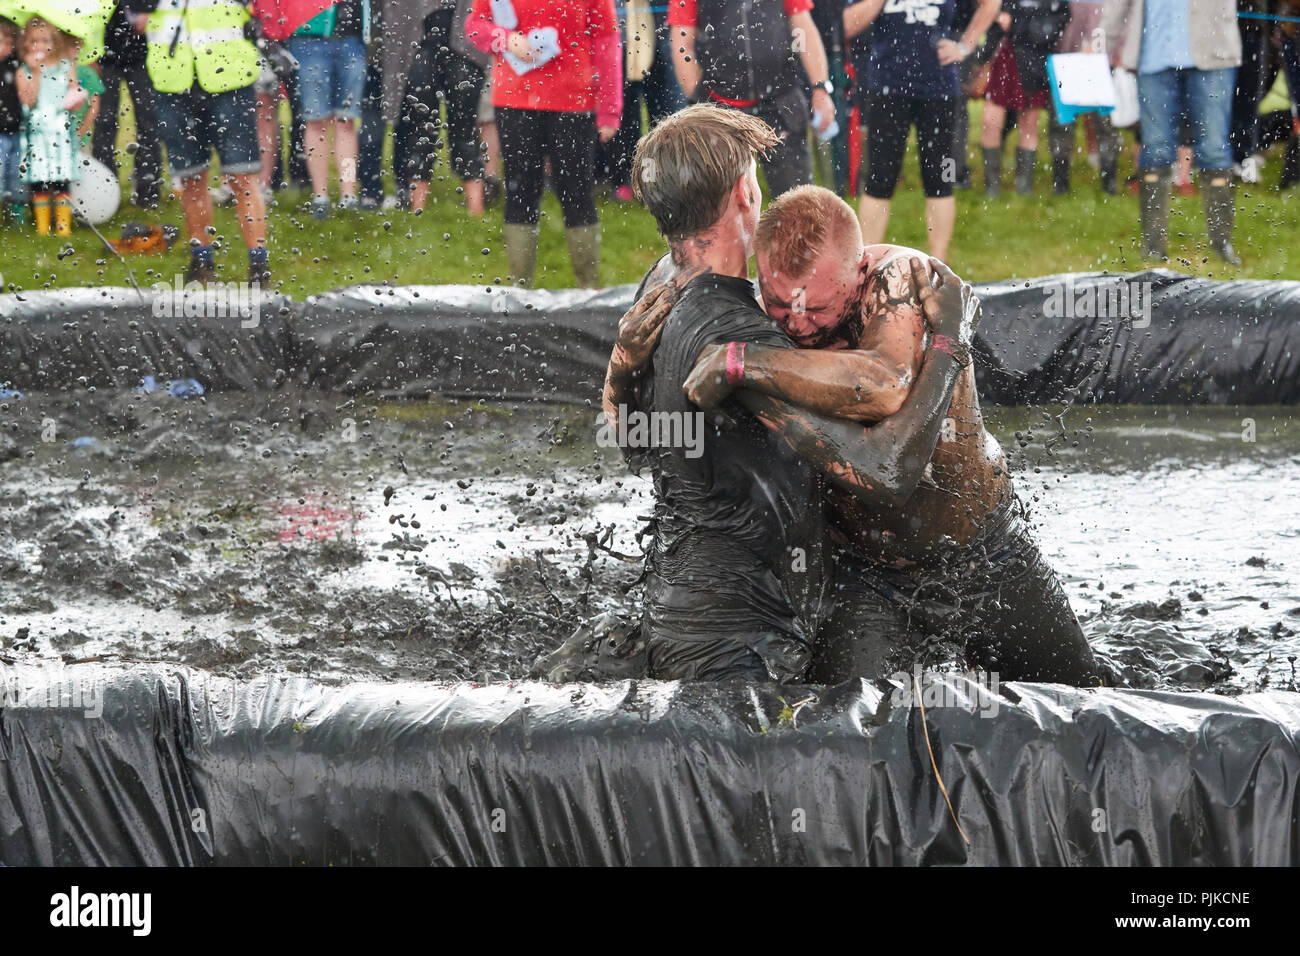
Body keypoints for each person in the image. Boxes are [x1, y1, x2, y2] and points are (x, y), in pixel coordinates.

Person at [597, 105, 974, 682]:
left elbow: (629, 443)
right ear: (744, 195)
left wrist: (623, 363)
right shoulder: (741, 337)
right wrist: (949, 340)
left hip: (674, 610)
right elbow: (884, 466)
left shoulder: (659, 284)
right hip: (740, 642)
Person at [681, 185, 1105, 684]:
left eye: (817, 310)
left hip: (982, 554)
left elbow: (883, 385)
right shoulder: (754, 309)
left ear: (858, 272)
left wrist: (743, 362)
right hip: (868, 573)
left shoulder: (899, 278)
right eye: (779, 303)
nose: (797, 324)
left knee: (1086, 695)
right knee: (852, 725)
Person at [844, 0, 1000, 260]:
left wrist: (965, 46)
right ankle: (865, 266)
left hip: (939, 90)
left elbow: (991, 3)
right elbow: (849, 24)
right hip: (888, 87)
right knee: (879, 180)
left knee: (940, 180)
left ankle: (939, 267)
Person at [133, 0, 269, 284]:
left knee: (242, 175)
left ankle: (259, 267)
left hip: (228, 76)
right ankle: (202, 262)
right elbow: (137, 9)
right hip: (172, 79)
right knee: (191, 177)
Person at [1103, 0, 1243, 263]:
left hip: (1213, 52)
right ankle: (1153, 246)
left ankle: (1222, 245)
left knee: (1214, 149)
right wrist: (1102, 45)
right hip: (1153, 57)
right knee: (1155, 150)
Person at [669, 0, 835, 199]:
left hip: (781, 101)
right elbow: (682, 45)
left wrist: (821, 89)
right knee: (717, 207)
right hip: (720, 108)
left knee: (799, 205)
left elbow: (804, 28)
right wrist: (700, 106)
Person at [394, 0, 487, 216]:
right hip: (423, 48)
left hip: (465, 53)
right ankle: (418, 209)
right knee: (421, 128)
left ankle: (476, 210)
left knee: (465, 128)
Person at [289, 0, 370, 219]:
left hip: (353, 39)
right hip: (309, 38)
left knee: (347, 121)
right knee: (316, 121)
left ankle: (348, 195)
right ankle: (320, 196)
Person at [980, 0, 1071, 196]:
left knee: (1029, 123)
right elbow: (993, 13)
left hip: (1034, 60)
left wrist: (1016, 24)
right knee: (990, 121)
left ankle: (1024, 187)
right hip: (1002, 57)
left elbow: (1054, 26)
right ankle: (992, 188)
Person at [16, 17, 83, 237]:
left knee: (61, 177)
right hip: (38, 131)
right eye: (34, 41)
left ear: (54, 41)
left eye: (45, 40)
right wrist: (36, 73)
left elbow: (74, 92)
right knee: (40, 179)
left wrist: (76, 97)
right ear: (26, 44)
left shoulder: (66, 66)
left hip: (60, 128)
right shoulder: (24, 71)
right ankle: (43, 229)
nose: (40, 46)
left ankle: (64, 227)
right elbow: (28, 100)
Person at [94, 1, 161, 208]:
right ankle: (104, 192)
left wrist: (149, 11)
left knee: (148, 119)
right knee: (104, 121)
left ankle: (148, 191)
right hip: (103, 53)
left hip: (142, 51)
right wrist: (89, 52)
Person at [0, 17, 25, 227]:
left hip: (17, 129)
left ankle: (18, 218)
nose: (6, 48)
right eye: (1, 42)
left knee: (16, 174)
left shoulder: (16, 63)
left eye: (9, 43)